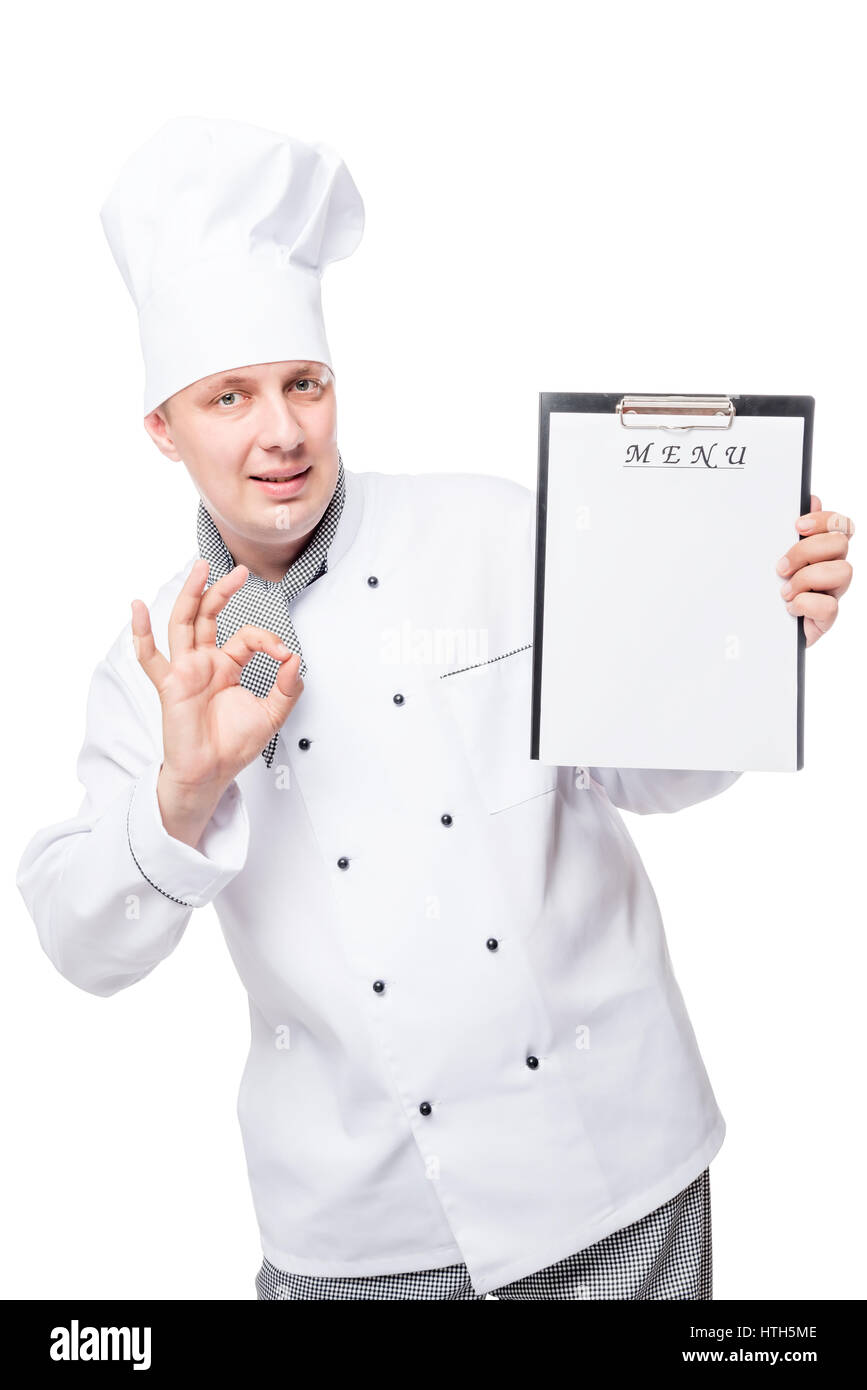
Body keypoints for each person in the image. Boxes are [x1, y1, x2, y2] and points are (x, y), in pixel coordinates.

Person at [16, 117, 855, 1302]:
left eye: (304, 382)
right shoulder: (160, 663)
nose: (282, 431)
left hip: (613, 1174)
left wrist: (755, 644)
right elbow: (79, 944)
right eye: (229, 397)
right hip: (360, 1237)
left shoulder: (493, 533)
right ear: (164, 428)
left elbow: (650, 771)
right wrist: (186, 789)